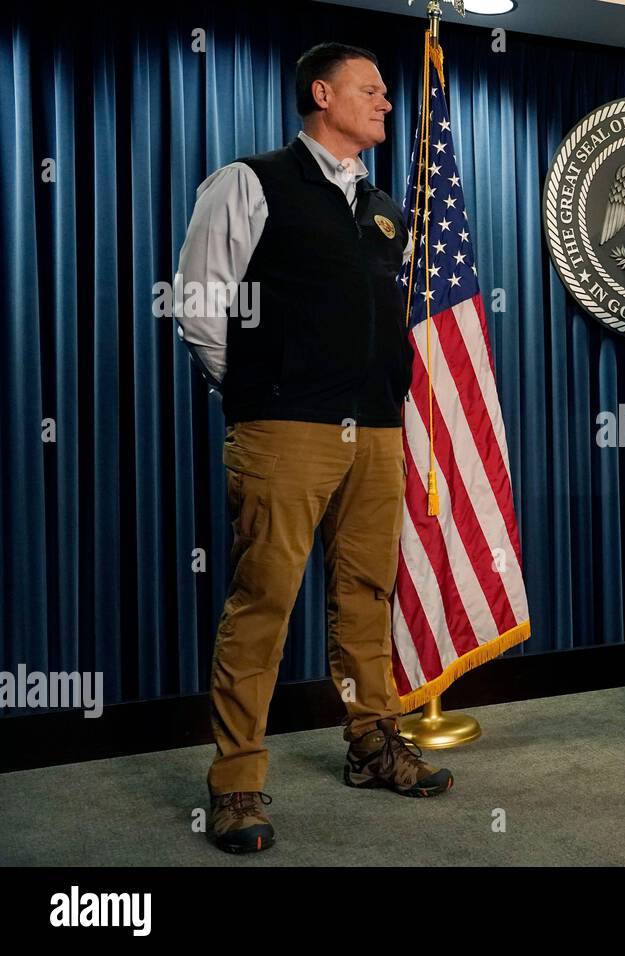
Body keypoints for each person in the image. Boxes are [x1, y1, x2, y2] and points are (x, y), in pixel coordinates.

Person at [175, 42, 452, 854]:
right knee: (263, 601)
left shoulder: (385, 207)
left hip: (376, 426)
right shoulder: (249, 181)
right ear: (322, 94)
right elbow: (200, 305)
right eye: (373, 89)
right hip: (284, 426)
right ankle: (236, 786)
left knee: (366, 592)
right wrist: (267, 392)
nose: (388, 103)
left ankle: (372, 744)